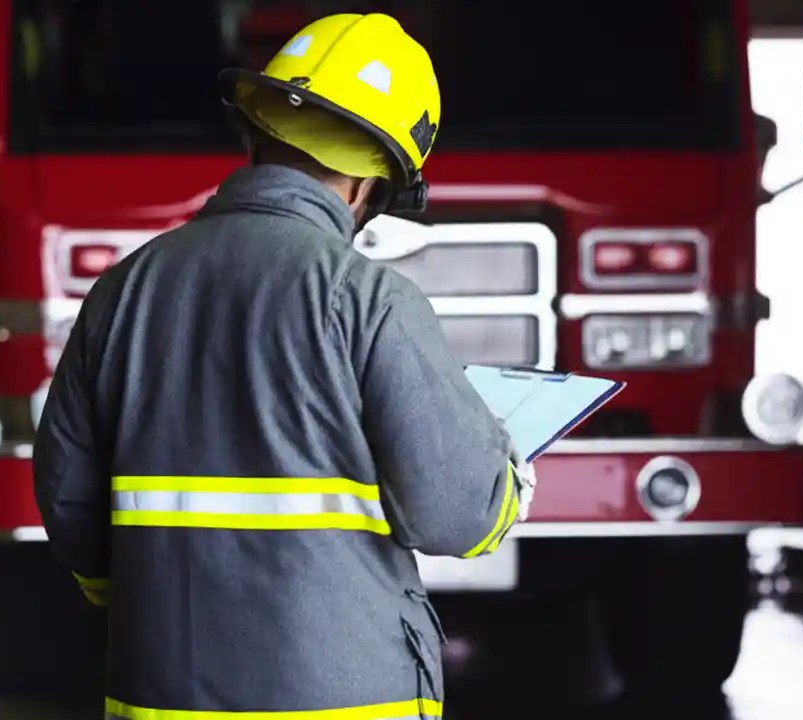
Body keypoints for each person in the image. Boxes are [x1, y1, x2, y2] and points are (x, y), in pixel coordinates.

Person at [34, 13, 535, 719]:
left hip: (156, 692)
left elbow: (67, 496)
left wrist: (134, 592)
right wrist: (509, 473)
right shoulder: (370, 300)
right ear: (370, 183)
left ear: (259, 135)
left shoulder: (125, 290)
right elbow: (458, 515)